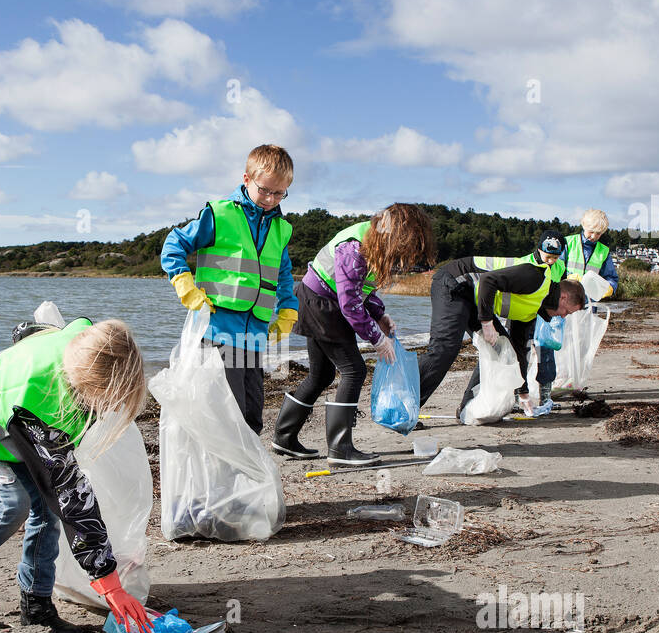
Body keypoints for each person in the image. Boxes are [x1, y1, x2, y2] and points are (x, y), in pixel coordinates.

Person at [0, 317, 153, 633]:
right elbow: (70, 495)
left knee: (47, 511)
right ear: (87, 382)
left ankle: (36, 606)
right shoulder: (41, 399)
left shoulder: (84, 340)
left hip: (9, 426)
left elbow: (28, 331)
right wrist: (108, 582)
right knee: (13, 503)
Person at [271, 204, 435, 466]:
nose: (407, 253)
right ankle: (340, 449)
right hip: (321, 306)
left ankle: (284, 437)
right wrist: (377, 340)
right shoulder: (354, 248)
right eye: (407, 244)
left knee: (321, 375)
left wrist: (380, 315)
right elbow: (349, 303)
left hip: (320, 303)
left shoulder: (375, 244)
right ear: (395, 234)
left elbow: (361, 290)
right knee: (354, 370)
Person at [160, 144, 298, 435]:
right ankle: (224, 478)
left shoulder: (281, 229)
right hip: (217, 332)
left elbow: (284, 274)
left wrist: (288, 311)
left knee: (251, 418)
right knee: (227, 416)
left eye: (279, 193)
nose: (270, 200)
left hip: (254, 336)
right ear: (246, 180)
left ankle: (244, 478)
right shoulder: (220, 215)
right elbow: (173, 245)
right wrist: (186, 286)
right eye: (264, 190)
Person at [417, 232, 585, 411]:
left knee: (502, 349)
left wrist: (523, 393)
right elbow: (488, 281)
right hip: (455, 280)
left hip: (474, 298)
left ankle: (469, 408)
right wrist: (487, 322)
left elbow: (519, 351)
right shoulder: (535, 277)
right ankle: (405, 405)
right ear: (564, 297)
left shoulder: (533, 310)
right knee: (445, 348)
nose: (563, 316)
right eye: (567, 311)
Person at [538, 208, 619, 405]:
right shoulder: (567, 243)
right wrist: (566, 279)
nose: (593, 236)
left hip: (587, 307)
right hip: (562, 304)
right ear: (583, 226)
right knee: (558, 343)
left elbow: (612, 278)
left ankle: (573, 381)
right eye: (591, 232)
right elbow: (553, 265)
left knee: (580, 345)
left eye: (598, 234)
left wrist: (608, 288)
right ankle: (556, 381)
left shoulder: (603, 251)